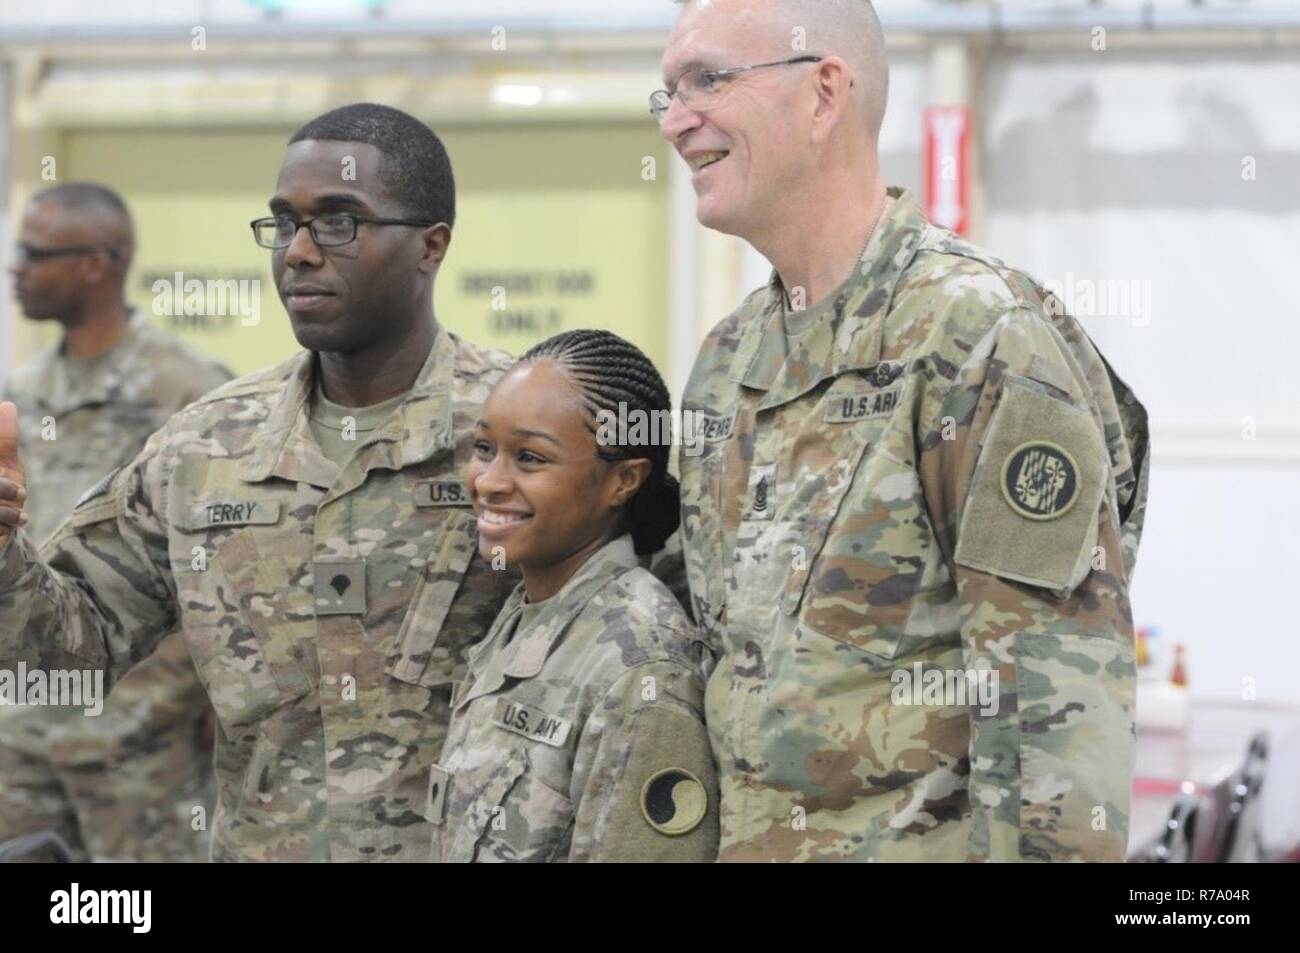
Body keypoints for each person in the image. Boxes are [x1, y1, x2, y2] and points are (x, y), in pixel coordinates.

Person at [657, 0, 1150, 861]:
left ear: (822, 94)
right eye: (664, 92)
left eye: (707, 80)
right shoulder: (730, 359)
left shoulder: (977, 335)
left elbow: (1054, 719)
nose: (676, 121)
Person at [0, 103, 518, 861]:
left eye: (339, 221)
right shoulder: (205, 447)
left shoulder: (520, 433)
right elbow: (55, 660)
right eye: (285, 223)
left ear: (430, 245)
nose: (299, 252)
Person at [0, 182, 230, 862]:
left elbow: (228, 563)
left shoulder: (190, 392)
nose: (16, 269)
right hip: (23, 731)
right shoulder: (20, 394)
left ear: (96, 263)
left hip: (139, 739)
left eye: (34, 254)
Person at [429, 330, 717, 863]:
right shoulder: (528, 612)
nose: (490, 481)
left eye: (530, 458)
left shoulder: (640, 665)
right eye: (485, 449)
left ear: (623, 481)